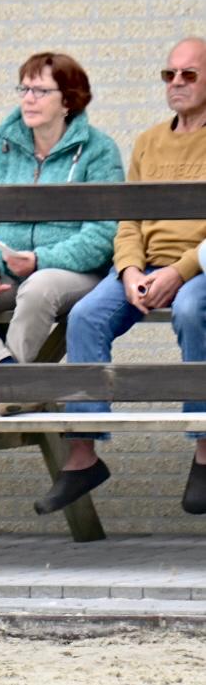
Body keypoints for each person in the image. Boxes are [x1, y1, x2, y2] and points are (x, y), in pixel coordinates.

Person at [42, 37, 206, 516]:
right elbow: (128, 220)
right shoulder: (149, 141)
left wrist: (179, 272)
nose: (176, 83)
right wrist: (131, 270)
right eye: (168, 74)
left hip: (197, 268)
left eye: (188, 74)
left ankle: (203, 444)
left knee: (195, 308)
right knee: (87, 314)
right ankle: (82, 455)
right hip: (146, 266)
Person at [0, 54, 123, 415]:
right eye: (24, 88)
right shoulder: (0, 146)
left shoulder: (99, 150)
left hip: (69, 273)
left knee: (40, 286)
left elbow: (104, 233)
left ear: (69, 99)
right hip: (6, 269)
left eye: (40, 90)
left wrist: (40, 260)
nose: (28, 98)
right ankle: (4, 376)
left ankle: (0, 389)